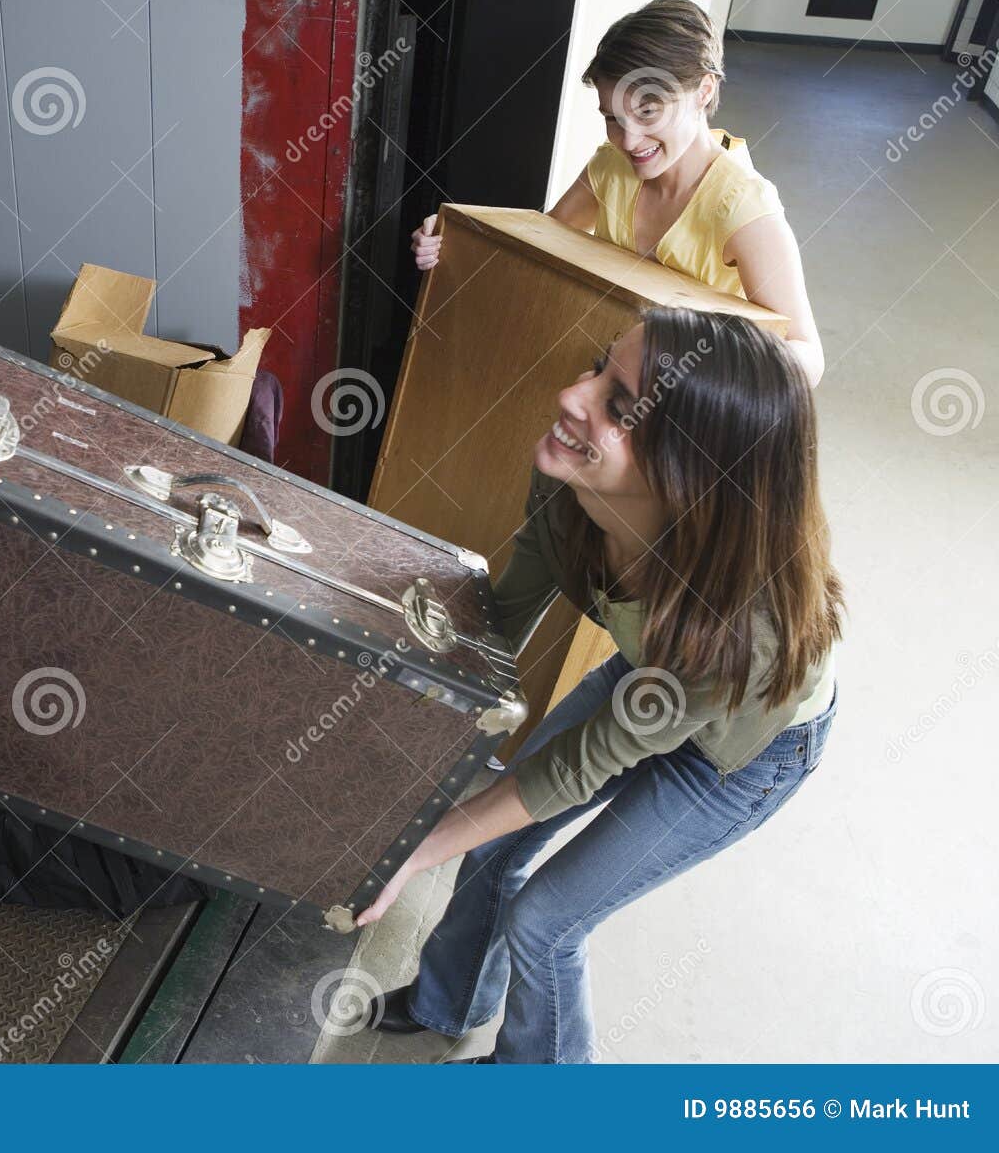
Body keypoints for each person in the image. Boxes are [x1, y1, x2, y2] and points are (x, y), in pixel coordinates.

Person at [356, 307, 843, 1063]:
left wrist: (416, 848)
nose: (570, 396)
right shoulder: (568, 479)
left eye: (619, 406)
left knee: (544, 921)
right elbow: (500, 623)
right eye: (597, 369)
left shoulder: (744, 631)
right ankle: (443, 1002)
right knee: (494, 844)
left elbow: (579, 764)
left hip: (741, 753)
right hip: (652, 676)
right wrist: (407, 731)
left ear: (688, 473)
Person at [412, 0, 825, 385]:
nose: (628, 141)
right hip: (605, 384)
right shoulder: (612, 167)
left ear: (703, 91)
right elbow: (536, 247)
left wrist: (701, 374)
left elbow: (807, 357)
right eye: (612, 117)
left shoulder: (744, 209)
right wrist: (456, 236)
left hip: (680, 415)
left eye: (647, 112)